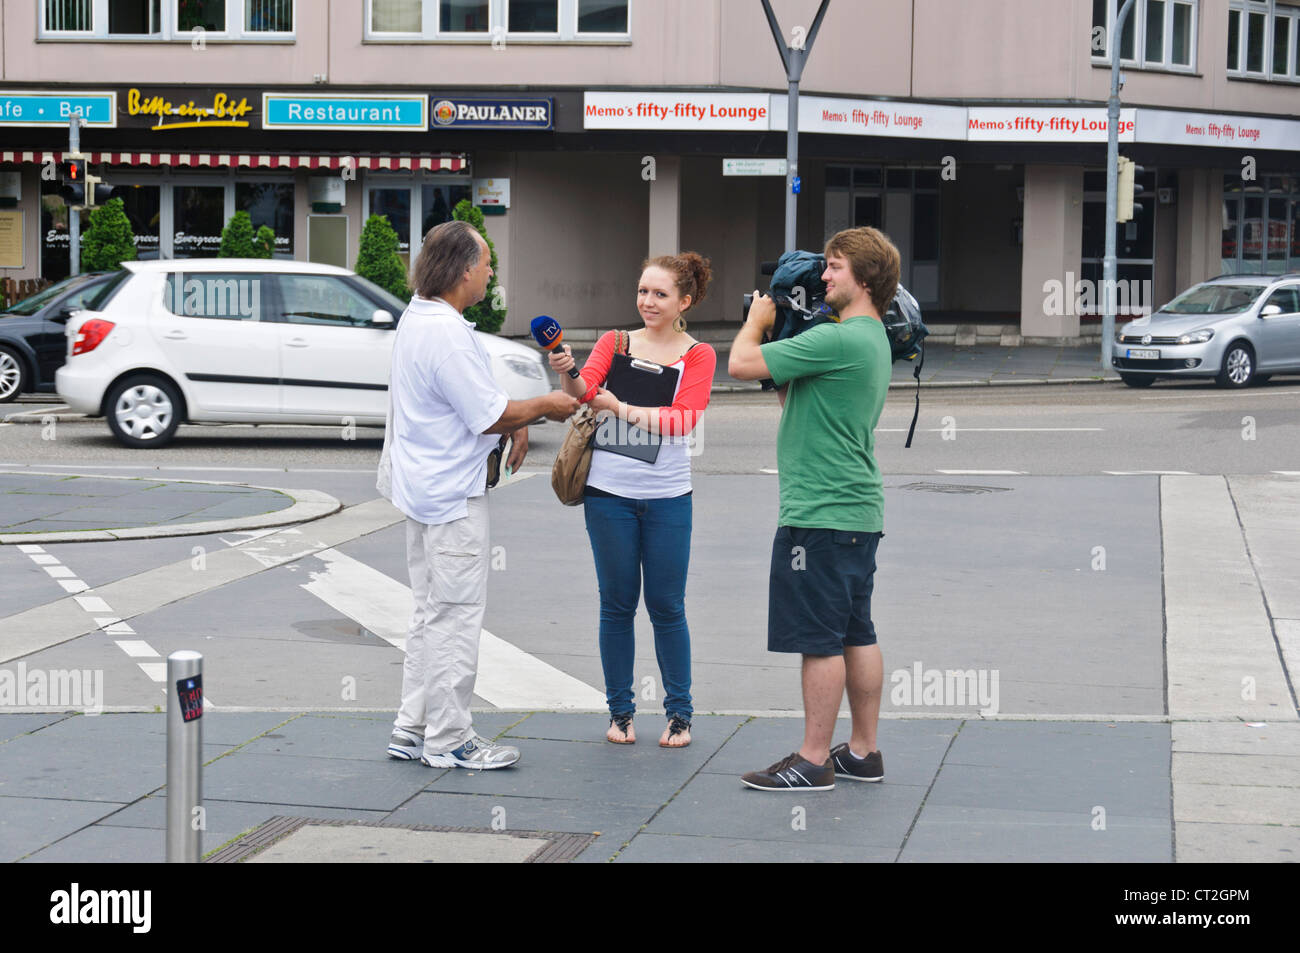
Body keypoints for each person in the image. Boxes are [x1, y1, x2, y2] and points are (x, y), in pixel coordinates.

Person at [379, 220, 580, 769]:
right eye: (487, 263)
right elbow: (486, 412)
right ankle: (449, 740)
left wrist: (508, 420)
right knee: (455, 618)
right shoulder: (445, 332)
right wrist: (542, 406)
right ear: (464, 269)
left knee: (429, 613)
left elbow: (472, 404)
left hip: (422, 489)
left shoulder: (418, 317)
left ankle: (411, 727)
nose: (491, 272)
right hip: (450, 497)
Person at [727, 227, 898, 791]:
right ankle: (863, 751)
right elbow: (789, 391)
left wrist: (756, 318)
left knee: (819, 639)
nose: (824, 276)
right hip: (855, 512)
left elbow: (742, 364)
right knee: (856, 631)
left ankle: (813, 759)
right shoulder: (869, 339)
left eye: (835, 267)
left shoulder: (839, 339)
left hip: (821, 513)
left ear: (866, 278)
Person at [549, 253, 717, 748]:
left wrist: (619, 406)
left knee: (667, 606)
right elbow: (584, 393)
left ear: (684, 301)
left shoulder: (698, 355)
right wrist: (566, 369)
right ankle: (620, 713)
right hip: (609, 495)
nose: (647, 301)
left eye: (660, 294)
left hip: (667, 496)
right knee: (617, 605)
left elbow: (683, 421)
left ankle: (679, 716)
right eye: (643, 291)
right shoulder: (615, 342)